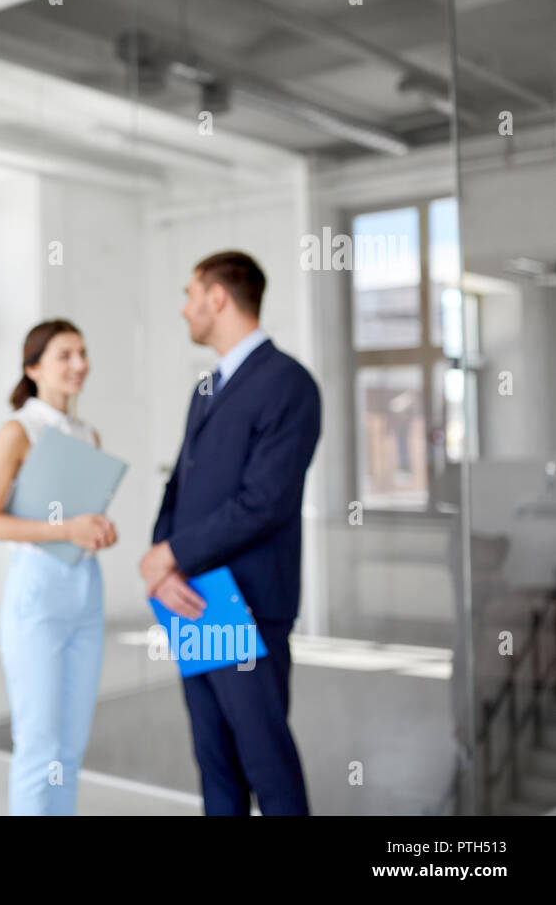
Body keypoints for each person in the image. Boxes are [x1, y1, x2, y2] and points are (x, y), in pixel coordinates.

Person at [141, 250, 320, 816]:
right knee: (215, 767)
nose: (185, 308)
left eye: (190, 293)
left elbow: (264, 503)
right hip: (195, 600)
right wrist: (162, 559)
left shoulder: (289, 383)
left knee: (266, 764)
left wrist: (171, 552)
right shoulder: (206, 387)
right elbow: (180, 486)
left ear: (217, 297)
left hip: (248, 601)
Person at [0, 319, 118, 815]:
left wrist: (96, 529)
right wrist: (67, 530)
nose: (80, 365)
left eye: (83, 353)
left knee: (71, 749)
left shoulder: (88, 433)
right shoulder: (20, 429)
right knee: (39, 747)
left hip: (86, 591)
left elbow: (79, 516)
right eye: (65, 355)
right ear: (34, 367)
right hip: (38, 595)